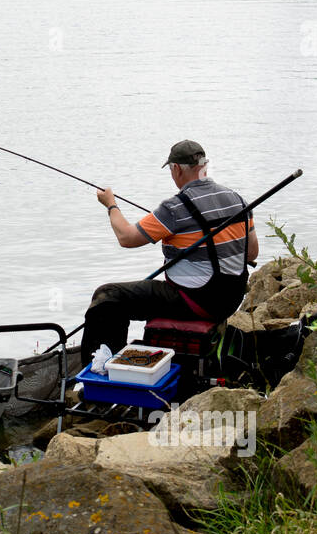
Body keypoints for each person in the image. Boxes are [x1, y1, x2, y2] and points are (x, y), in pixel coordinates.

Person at [81, 140, 258, 369]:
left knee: (108, 297)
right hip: (230, 299)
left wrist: (111, 205)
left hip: (194, 300)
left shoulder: (174, 208)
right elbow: (251, 252)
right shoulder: (238, 200)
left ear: (176, 169)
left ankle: (98, 370)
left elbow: (126, 238)